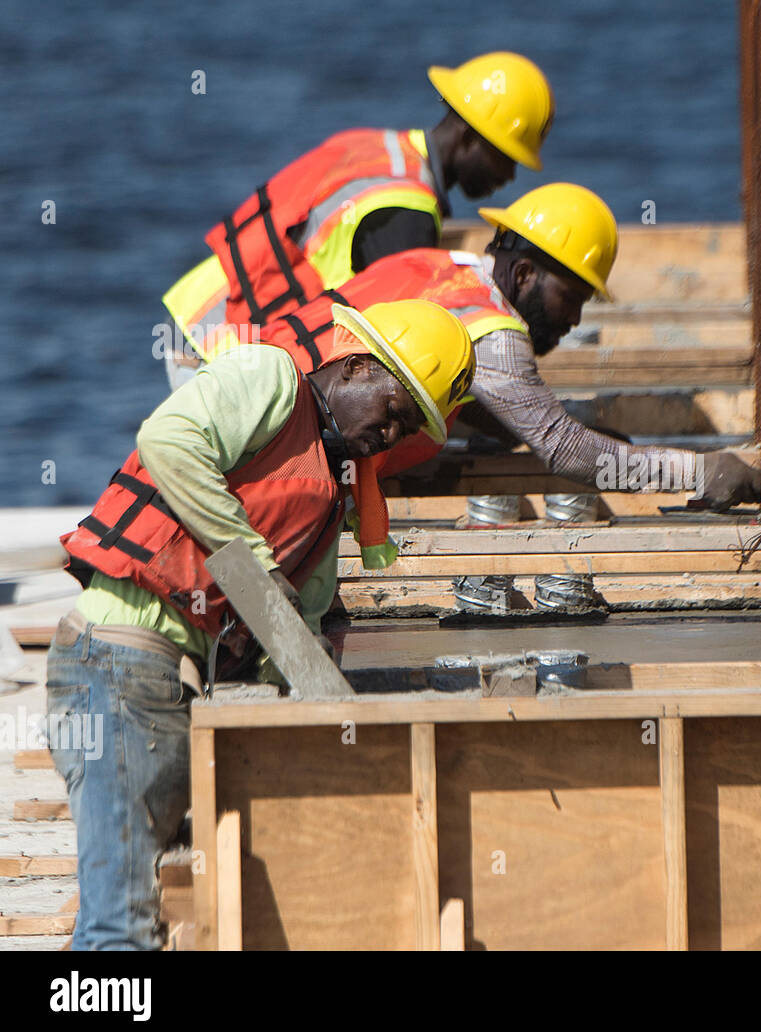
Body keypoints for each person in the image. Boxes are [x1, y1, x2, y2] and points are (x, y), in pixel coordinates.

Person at [48, 300, 474, 949]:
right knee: (120, 929)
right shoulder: (270, 379)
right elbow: (169, 441)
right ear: (357, 366)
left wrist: (353, 745)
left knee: (116, 917)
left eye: (406, 430)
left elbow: (291, 640)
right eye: (391, 411)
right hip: (115, 665)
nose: (388, 437)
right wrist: (249, 561)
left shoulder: (328, 502)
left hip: (170, 692)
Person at [203, 183, 761, 509]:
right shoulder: (493, 332)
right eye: (572, 295)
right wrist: (701, 472)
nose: (576, 317)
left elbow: (463, 396)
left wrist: (551, 427)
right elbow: (566, 452)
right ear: (522, 275)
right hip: (273, 461)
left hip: (236, 395)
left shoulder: (439, 265)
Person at [159, 52, 552, 388]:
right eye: (506, 158)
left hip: (199, 309)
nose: (510, 177)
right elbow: (398, 336)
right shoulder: (407, 210)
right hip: (219, 342)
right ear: (469, 137)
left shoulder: (379, 146)